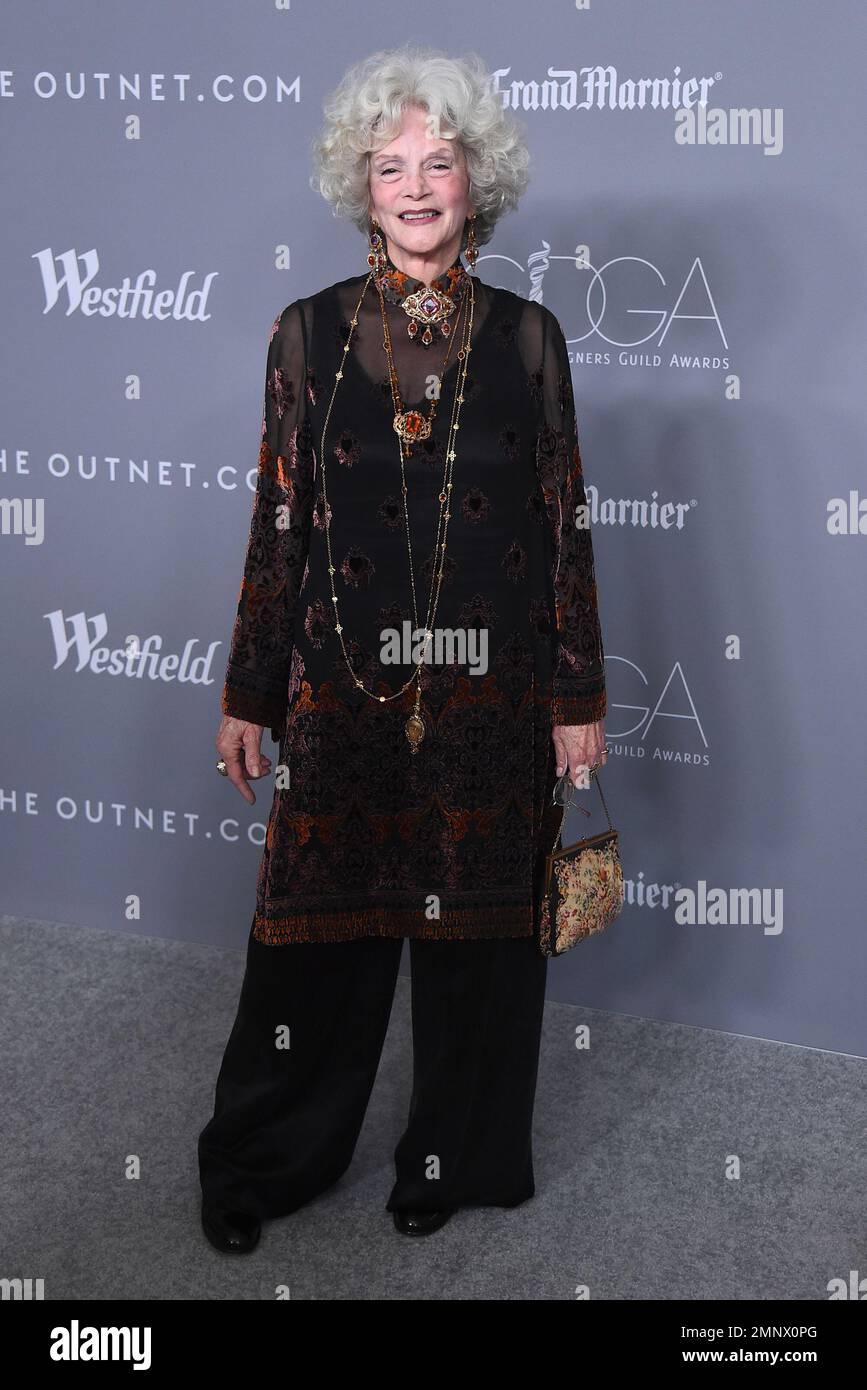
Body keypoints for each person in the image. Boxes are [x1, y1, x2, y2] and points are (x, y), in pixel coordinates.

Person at [198, 43, 608, 1255]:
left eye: (439, 163)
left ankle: (449, 1157)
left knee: (477, 938)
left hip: (493, 695)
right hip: (343, 691)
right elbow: (279, 522)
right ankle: (265, 1159)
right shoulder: (305, 334)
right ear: (360, 186)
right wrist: (251, 691)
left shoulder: (530, 339)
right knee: (312, 942)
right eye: (392, 166)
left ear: (475, 183)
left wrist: (577, 691)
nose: (417, 186)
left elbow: (565, 525)